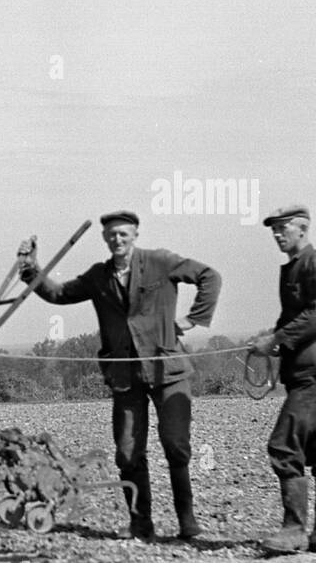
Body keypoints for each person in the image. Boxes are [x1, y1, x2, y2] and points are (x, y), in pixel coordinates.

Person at [19, 210, 221, 542]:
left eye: (124, 234)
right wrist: (30, 269)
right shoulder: (98, 276)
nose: (118, 240)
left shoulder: (161, 261)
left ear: (136, 234)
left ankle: (188, 522)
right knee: (128, 452)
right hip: (125, 377)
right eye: (112, 235)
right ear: (105, 238)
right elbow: (59, 293)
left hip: (167, 371)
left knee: (176, 445)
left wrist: (193, 319)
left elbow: (210, 276)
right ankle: (141, 525)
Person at [250, 205, 316, 554]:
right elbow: (296, 318)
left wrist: (275, 340)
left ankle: (293, 530)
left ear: (302, 228)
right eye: (274, 230)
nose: (277, 234)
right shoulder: (294, 267)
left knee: (284, 445)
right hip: (307, 369)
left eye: (282, 228)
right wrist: (273, 341)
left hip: (314, 370)